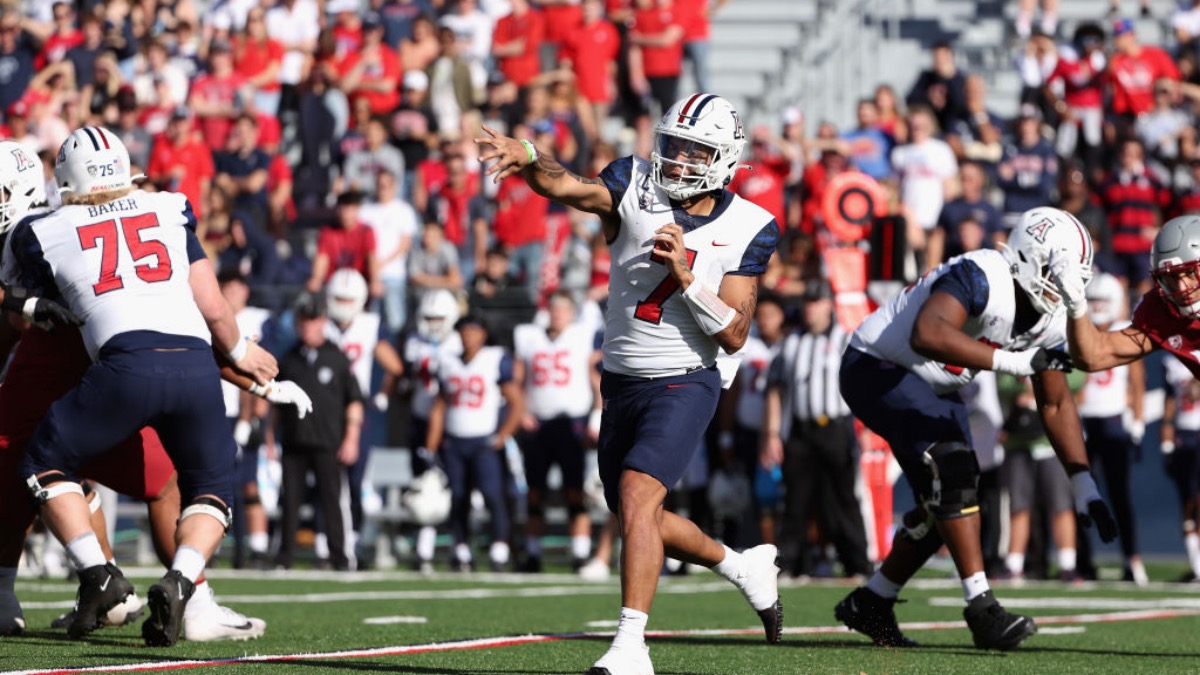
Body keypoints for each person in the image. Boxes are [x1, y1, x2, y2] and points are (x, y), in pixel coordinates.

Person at [476, 92, 782, 675]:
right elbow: (567, 186)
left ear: (725, 158)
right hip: (619, 379)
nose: (679, 159)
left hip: (686, 379)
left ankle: (630, 647)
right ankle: (741, 567)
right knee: (636, 512)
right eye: (675, 145)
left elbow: (737, 334)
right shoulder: (635, 182)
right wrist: (533, 154)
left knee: (640, 495)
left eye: (696, 150)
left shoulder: (751, 225)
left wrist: (686, 276)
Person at [11, 127, 279, 645]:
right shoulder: (170, 207)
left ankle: (99, 572)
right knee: (209, 490)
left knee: (43, 463)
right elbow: (217, 310)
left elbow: (22, 309)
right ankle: (181, 583)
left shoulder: (43, 229)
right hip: (197, 365)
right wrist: (247, 356)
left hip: (124, 365)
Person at [835, 206, 1118, 651]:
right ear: (1026, 254)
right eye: (1053, 271)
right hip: (879, 366)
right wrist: (1014, 362)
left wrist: (1083, 483)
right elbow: (926, 333)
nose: (1060, 285)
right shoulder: (983, 272)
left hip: (936, 388)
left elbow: (1056, 400)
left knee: (948, 504)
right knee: (953, 471)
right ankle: (982, 608)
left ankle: (873, 601)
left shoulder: (1050, 318)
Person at [761, 281, 871, 580]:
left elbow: (862, 386)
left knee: (843, 498)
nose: (810, 308)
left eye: (816, 302)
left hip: (835, 427)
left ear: (828, 305)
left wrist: (865, 425)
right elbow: (775, 389)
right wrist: (772, 434)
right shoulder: (791, 342)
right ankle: (791, 565)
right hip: (801, 429)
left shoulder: (844, 339)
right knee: (795, 499)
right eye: (807, 302)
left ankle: (857, 563)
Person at [424, 314, 523, 572]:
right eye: (464, 330)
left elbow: (516, 401)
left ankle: (499, 551)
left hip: (484, 442)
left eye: (474, 330)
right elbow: (439, 406)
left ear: (484, 333)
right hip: (454, 442)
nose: (468, 335)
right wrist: (431, 446)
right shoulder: (447, 361)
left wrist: (504, 434)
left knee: (493, 496)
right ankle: (461, 550)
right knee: (458, 497)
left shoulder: (494, 359)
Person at [513, 290, 602, 572]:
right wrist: (521, 412)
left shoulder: (583, 335)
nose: (558, 313)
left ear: (573, 313)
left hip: (571, 423)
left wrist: (596, 418)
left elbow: (596, 378)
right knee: (534, 492)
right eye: (554, 308)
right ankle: (533, 553)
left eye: (564, 309)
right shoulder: (529, 337)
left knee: (575, 492)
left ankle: (580, 554)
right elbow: (517, 379)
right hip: (537, 423)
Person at [274, 295, 365, 571]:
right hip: (294, 440)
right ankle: (284, 556)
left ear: (323, 323)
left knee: (331, 500)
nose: (308, 328)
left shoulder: (336, 358)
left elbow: (354, 401)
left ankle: (340, 556)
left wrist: (352, 437)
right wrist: (270, 436)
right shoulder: (289, 358)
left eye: (313, 321)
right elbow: (275, 400)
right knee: (290, 500)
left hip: (327, 441)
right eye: (304, 322)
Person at [1074, 272, 1147, 584]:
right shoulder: (1080, 328)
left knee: (1119, 496)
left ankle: (1132, 559)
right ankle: (1082, 561)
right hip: (1085, 421)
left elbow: (1137, 381)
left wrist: (1138, 421)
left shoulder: (1123, 330)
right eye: (1094, 300)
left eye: (1104, 300)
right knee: (1083, 495)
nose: (1098, 306)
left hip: (1115, 421)